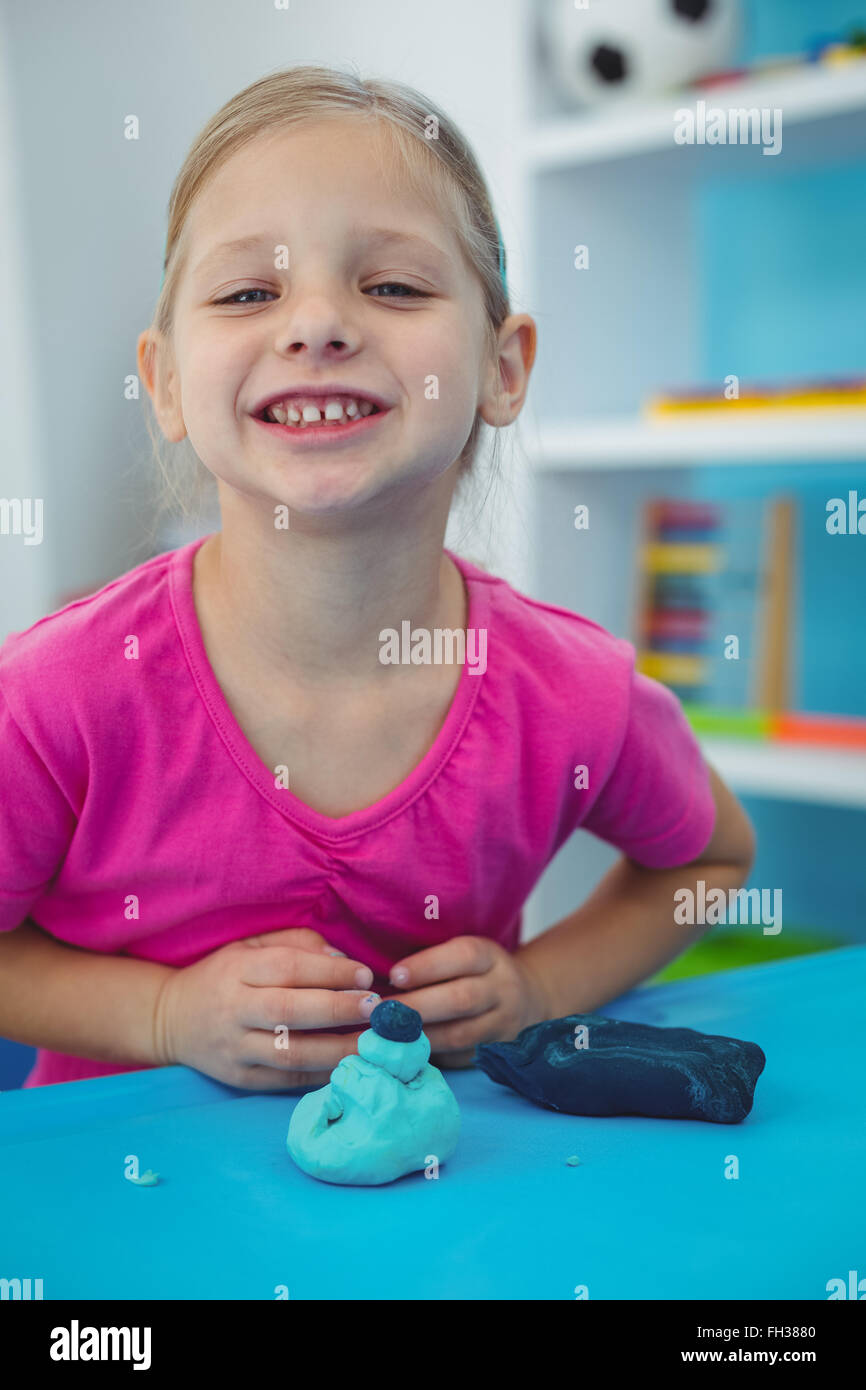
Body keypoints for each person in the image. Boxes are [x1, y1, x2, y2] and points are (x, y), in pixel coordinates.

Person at [0, 66, 754, 1091]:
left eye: (392, 285)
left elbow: (707, 861)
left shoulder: (567, 689)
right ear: (168, 380)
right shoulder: (57, 692)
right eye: (248, 293)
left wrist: (539, 988)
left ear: (502, 366)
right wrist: (167, 1013)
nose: (316, 324)